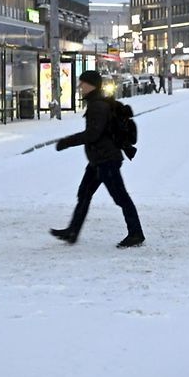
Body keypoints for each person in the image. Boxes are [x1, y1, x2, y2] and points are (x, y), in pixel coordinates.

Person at [50, 70, 145, 248]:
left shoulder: (98, 106)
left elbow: (93, 134)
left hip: (106, 160)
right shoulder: (97, 102)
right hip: (98, 160)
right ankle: (72, 231)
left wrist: (67, 142)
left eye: (82, 83)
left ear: (91, 85)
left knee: (120, 197)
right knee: (84, 194)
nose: (79, 87)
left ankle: (136, 233)